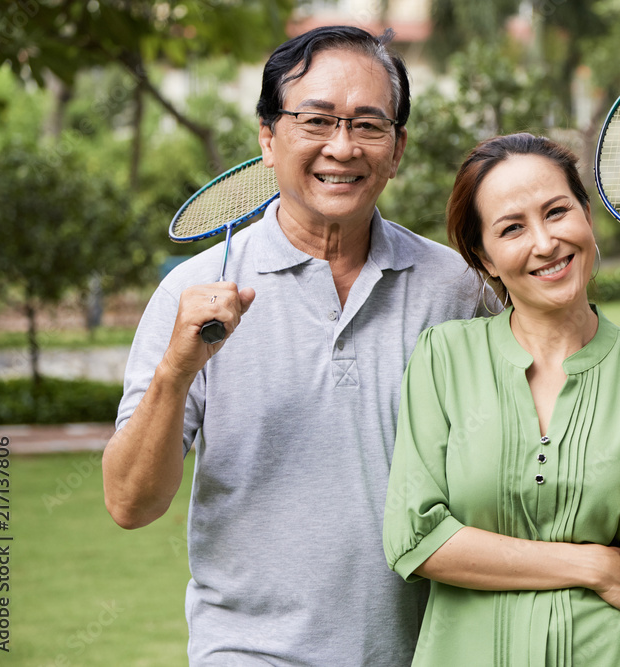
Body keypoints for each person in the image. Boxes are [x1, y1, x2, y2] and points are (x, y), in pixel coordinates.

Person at [103, 26, 488, 666]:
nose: (342, 147)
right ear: (267, 137)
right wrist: (178, 368)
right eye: (317, 120)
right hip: (250, 653)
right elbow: (129, 504)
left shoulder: (455, 288)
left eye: (368, 125)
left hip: (426, 652)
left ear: (397, 150)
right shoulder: (193, 292)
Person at [383, 133, 620, 665]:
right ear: (484, 258)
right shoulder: (444, 357)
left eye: (557, 211)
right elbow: (417, 539)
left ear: (587, 217)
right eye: (512, 228)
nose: (545, 243)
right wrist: (594, 567)